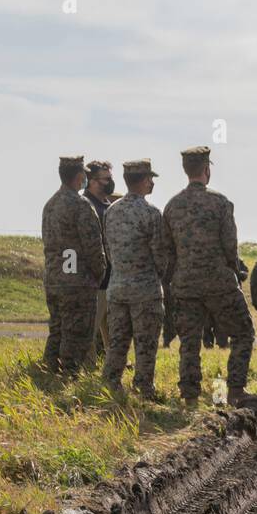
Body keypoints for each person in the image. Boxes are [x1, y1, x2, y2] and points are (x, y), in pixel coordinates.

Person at [162, 145, 255, 408]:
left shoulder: (171, 206)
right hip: (219, 283)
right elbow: (230, 247)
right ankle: (235, 391)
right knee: (243, 333)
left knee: (189, 342)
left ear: (185, 170)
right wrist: (232, 271)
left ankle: (190, 396)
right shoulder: (220, 203)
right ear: (206, 170)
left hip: (185, 285)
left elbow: (167, 250)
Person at [102, 159, 167, 399]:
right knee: (145, 345)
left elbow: (109, 251)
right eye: (150, 178)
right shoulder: (151, 213)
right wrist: (156, 276)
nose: (152, 183)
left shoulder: (112, 211)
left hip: (117, 289)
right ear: (142, 181)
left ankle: (109, 385)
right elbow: (160, 255)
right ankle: (143, 390)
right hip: (145, 291)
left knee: (117, 342)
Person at [41, 155, 106, 375]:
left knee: (57, 330)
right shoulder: (81, 205)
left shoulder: (50, 205)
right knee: (77, 334)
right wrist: (99, 273)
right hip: (78, 283)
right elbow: (93, 247)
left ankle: (49, 372)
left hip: (54, 280)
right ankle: (69, 376)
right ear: (79, 176)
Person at [83, 159, 114, 362]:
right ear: (92, 181)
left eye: (111, 178)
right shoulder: (86, 205)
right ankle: (89, 372)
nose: (110, 183)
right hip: (96, 282)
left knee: (113, 334)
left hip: (111, 280)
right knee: (89, 334)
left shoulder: (107, 205)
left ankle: (112, 370)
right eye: (106, 179)